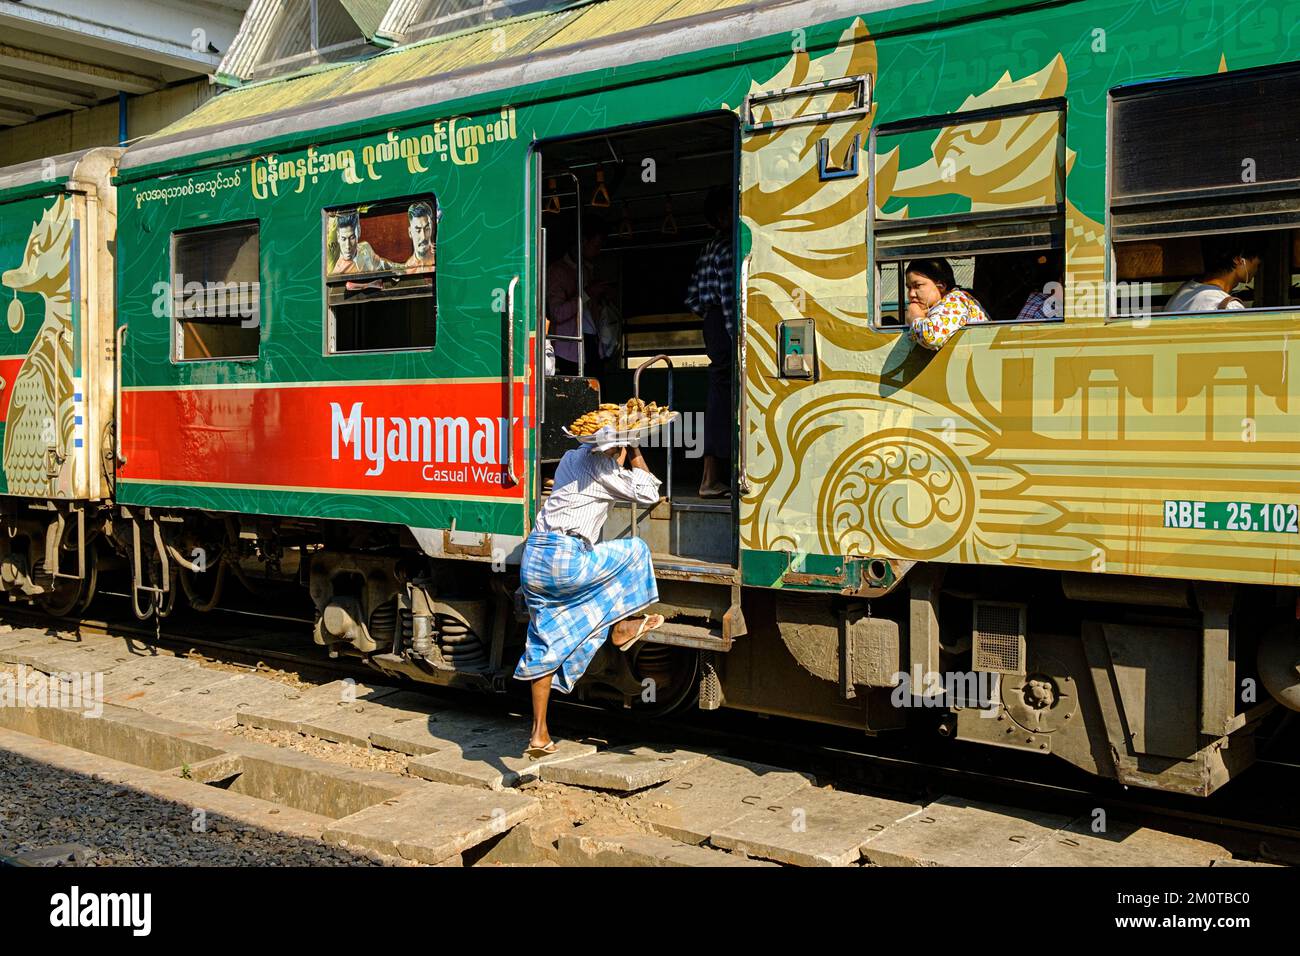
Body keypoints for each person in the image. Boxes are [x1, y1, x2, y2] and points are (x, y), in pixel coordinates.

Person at [515, 430, 665, 755]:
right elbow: (650, 491)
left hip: (535, 557)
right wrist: (635, 449)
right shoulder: (604, 469)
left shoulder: (570, 458)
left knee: (544, 642)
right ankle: (624, 624)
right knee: (635, 551)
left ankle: (539, 733)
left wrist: (619, 452)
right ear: (617, 447)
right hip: (567, 558)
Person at [685, 189, 735, 498]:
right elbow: (730, 299)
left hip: (711, 325)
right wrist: (737, 336)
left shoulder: (707, 248)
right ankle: (713, 477)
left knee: (717, 395)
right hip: (725, 324)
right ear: (721, 216)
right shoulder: (729, 248)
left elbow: (692, 299)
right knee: (727, 397)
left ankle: (709, 476)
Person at [548, 215, 614, 375]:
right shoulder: (557, 271)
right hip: (568, 349)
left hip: (590, 341)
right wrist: (587, 293)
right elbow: (557, 313)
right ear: (583, 242)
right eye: (596, 245)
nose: (598, 251)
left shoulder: (586, 269)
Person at [904, 257, 989, 350]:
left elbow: (931, 338)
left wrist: (915, 316)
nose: (911, 294)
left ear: (941, 285)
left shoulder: (956, 301)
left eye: (917, 286)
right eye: (909, 288)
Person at [1164, 236, 1263, 312]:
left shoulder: (1184, 290)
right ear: (1238, 260)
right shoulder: (1230, 307)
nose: (1256, 268)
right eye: (1256, 263)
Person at [330, 211, 387, 275]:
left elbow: (382, 264)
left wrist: (398, 267)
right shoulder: (338, 271)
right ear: (338, 237)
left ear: (358, 233)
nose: (347, 246)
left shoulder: (365, 248)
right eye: (343, 239)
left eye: (352, 238)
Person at [403, 201, 436, 271]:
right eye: (418, 230)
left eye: (427, 229)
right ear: (410, 233)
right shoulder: (407, 269)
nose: (423, 236)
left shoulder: (441, 258)